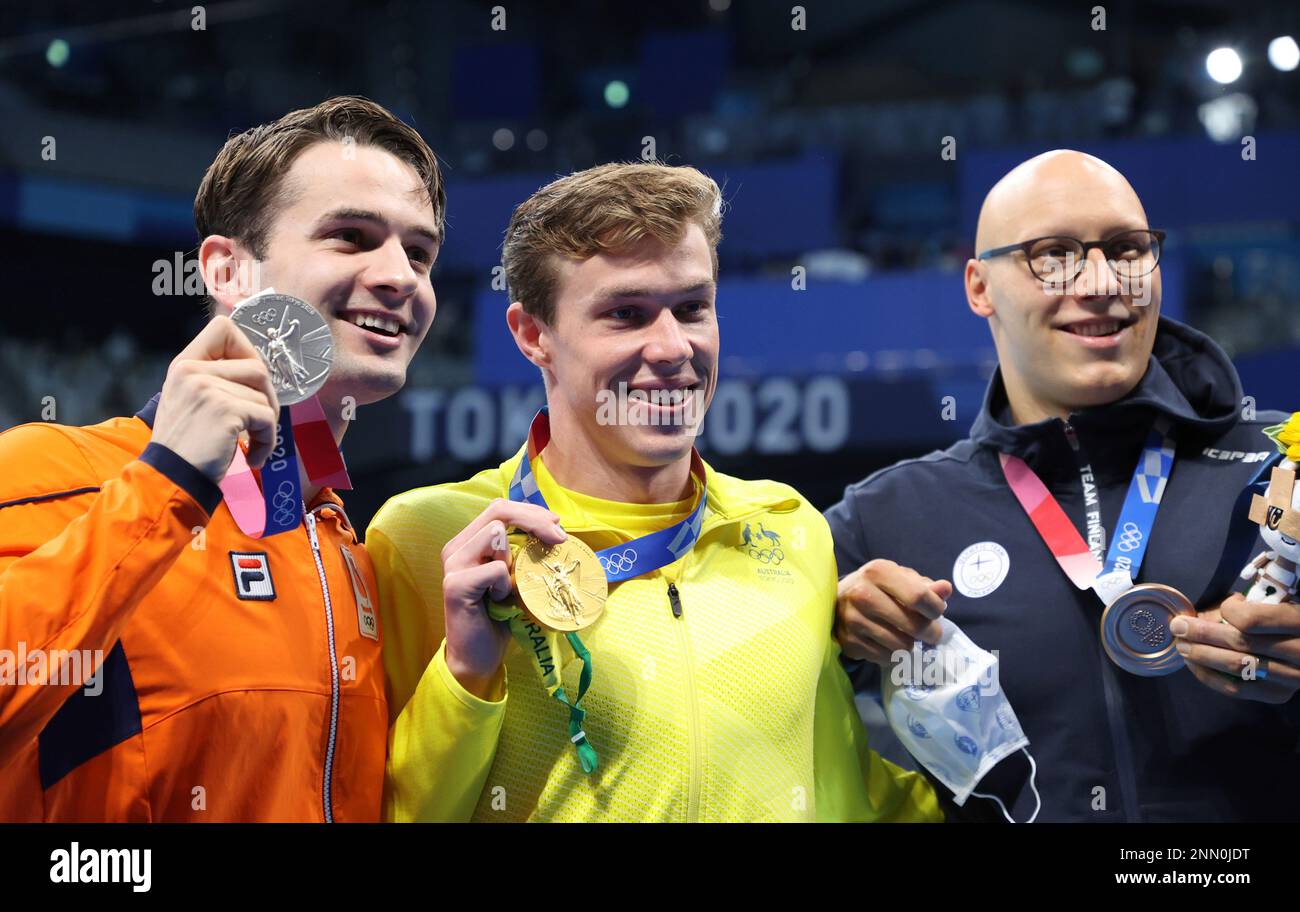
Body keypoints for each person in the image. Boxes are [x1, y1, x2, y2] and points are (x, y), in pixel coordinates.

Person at [368, 161, 942, 822]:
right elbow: (388, 810)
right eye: (626, 314)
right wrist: (465, 676)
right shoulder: (424, 539)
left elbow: (840, 787)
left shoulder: (790, 527)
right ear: (532, 336)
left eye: (692, 308)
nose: (672, 348)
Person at [0, 96, 444, 821]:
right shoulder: (46, 475)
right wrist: (168, 479)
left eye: (420, 252)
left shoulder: (347, 555)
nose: (401, 276)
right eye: (352, 237)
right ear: (230, 272)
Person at [827, 149, 1300, 822]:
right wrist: (827, 629)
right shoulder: (883, 523)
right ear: (978, 286)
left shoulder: (1284, 471)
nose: (1104, 282)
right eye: (1052, 255)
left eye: (1128, 249)